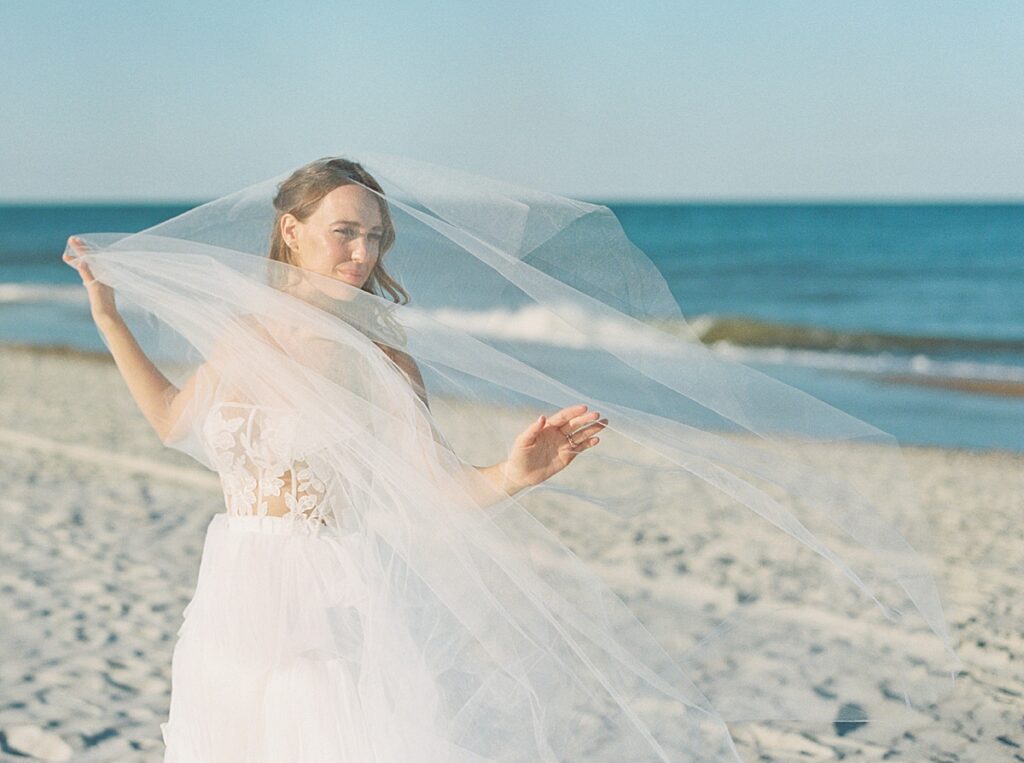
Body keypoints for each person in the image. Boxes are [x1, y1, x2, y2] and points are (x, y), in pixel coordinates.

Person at [62, 155, 957, 761]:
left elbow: (431, 488)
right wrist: (107, 318)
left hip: (329, 595)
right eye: (345, 231)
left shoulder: (380, 358)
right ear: (291, 231)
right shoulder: (244, 335)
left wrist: (512, 473)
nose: (363, 253)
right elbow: (173, 420)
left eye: (376, 236)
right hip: (232, 591)